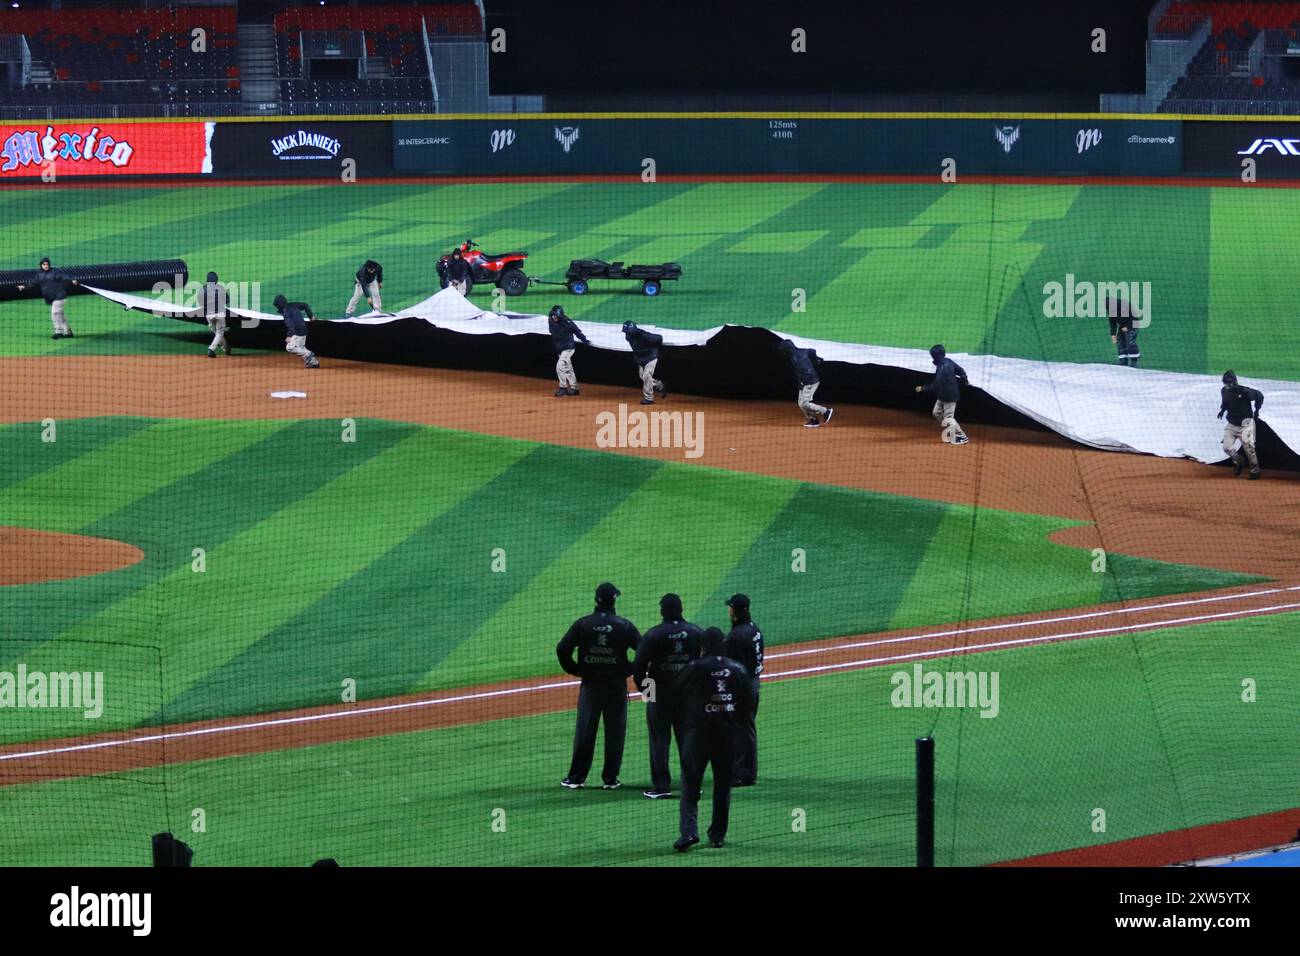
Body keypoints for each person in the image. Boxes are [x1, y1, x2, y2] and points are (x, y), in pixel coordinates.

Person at [672, 626, 753, 851]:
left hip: (698, 734)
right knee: (722, 786)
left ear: (702, 646)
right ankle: (717, 835)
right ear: (723, 644)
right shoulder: (737, 669)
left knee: (690, 782)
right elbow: (747, 704)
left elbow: (676, 693)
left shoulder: (695, 667)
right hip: (728, 736)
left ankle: (689, 833)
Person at [556, 582, 641, 790]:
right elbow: (644, 651)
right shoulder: (624, 625)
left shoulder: (583, 624)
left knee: (585, 731)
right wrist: (627, 669)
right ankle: (610, 779)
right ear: (614, 600)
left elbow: (562, 649)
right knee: (615, 732)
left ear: (596, 600)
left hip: (591, 686)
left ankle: (576, 778)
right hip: (615, 687)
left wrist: (576, 670)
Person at [632, 593, 704, 800]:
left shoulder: (654, 634)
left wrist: (646, 690)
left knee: (659, 741)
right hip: (688, 696)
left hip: (659, 695)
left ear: (662, 611)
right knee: (688, 741)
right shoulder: (695, 632)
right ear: (681, 609)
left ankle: (661, 787)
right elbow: (708, 661)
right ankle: (691, 786)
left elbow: (639, 667)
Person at [722, 593, 764, 787]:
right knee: (746, 728)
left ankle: (741, 774)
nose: (729, 610)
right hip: (753, 682)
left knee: (738, 729)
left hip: (742, 687)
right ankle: (747, 772)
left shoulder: (736, 637)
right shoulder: (753, 628)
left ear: (736, 611)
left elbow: (728, 667)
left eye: (731, 607)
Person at [914, 344, 969, 445]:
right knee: (937, 413)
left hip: (949, 396)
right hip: (943, 395)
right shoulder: (947, 361)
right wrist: (964, 379)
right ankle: (952, 430)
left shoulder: (943, 368)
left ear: (935, 356)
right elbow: (960, 370)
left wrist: (922, 388)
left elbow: (936, 386)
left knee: (948, 417)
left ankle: (961, 435)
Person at [17, 256, 79, 339]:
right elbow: (33, 284)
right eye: (44, 264)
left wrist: (72, 281)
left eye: (47, 264)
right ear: (41, 265)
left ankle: (58, 332)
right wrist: (23, 287)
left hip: (60, 296)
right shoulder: (39, 275)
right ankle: (68, 332)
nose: (46, 266)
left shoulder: (55, 272)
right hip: (51, 298)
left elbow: (64, 277)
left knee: (55, 313)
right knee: (60, 315)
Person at [1219, 370, 1264, 480]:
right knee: (1226, 447)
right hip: (1232, 424)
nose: (1226, 385)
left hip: (1246, 424)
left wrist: (1257, 410)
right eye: (1225, 383)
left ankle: (1255, 471)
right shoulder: (1224, 391)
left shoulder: (1245, 391)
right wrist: (1222, 410)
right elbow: (1225, 402)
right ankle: (1239, 461)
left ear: (1234, 382)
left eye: (1228, 383)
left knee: (1249, 449)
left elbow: (1260, 396)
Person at [777, 338, 832, 427]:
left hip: (810, 381)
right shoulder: (799, 352)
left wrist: (805, 383)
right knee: (801, 404)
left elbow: (807, 372)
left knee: (804, 403)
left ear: (788, 349)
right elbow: (811, 350)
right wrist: (817, 358)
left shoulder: (797, 358)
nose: (784, 352)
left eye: (784, 350)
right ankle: (813, 420)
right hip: (804, 381)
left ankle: (825, 411)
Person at [622, 321, 667, 405]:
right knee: (643, 376)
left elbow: (659, 338)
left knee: (646, 375)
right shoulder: (628, 337)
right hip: (640, 358)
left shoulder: (643, 335)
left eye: (628, 332)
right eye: (626, 332)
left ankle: (649, 398)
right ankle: (660, 385)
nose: (627, 334)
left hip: (651, 356)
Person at [548, 305, 590, 396]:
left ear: (560, 316)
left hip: (568, 348)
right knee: (568, 368)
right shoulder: (550, 320)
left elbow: (577, 331)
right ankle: (575, 389)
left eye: (556, 316)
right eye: (553, 315)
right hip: (559, 349)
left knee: (560, 366)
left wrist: (584, 340)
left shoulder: (567, 322)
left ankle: (563, 388)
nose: (554, 317)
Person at [273, 293, 320, 368]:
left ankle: (308, 354)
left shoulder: (285, 311)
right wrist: (311, 316)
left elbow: (290, 325)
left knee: (290, 347)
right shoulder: (293, 305)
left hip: (297, 331)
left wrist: (289, 336)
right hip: (304, 329)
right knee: (301, 347)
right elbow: (305, 305)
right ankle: (314, 363)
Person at [200, 271, 231, 358]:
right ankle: (211, 349)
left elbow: (200, 302)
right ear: (216, 280)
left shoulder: (203, 289)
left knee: (218, 334)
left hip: (209, 315)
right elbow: (227, 301)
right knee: (219, 333)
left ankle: (226, 348)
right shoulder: (220, 288)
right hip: (219, 314)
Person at [1106, 295, 1140, 367]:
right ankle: (1123, 361)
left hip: (1133, 324)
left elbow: (1135, 317)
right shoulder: (1111, 310)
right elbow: (1112, 323)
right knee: (1120, 342)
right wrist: (1113, 334)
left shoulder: (1124, 304)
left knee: (1129, 341)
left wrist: (1128, 327)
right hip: (1123, 327)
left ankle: (1134, 361)